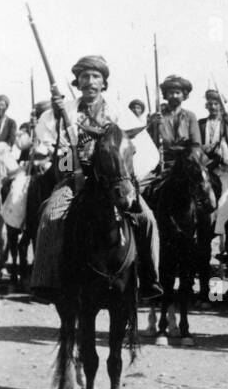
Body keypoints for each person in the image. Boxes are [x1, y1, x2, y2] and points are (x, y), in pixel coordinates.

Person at [30, 55, 160, 301]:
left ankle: (149, 279)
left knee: (147, 218)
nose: (90, 81)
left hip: (114, 183)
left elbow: (143, 151)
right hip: (73, 182)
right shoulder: (62, 113)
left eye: (95, 77)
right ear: (77, 82)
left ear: (103, 83)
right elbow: (53, 154)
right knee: (50, 216)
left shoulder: (120, 112)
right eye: (84, 77)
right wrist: (71, 159)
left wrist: (128, 180)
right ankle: (45, 281)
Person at [146, 74, 213, 209]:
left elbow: (196, 144)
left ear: (184, 95)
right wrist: (153, 125)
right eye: (171, 93)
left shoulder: (190, 116)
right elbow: (149, 144)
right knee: (143, 190)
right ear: (165, 95)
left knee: (206, 190)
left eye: (178, 93)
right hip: (163, 162)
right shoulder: (156, 117)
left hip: (187, 161)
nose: (175, 96)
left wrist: (191, 162)